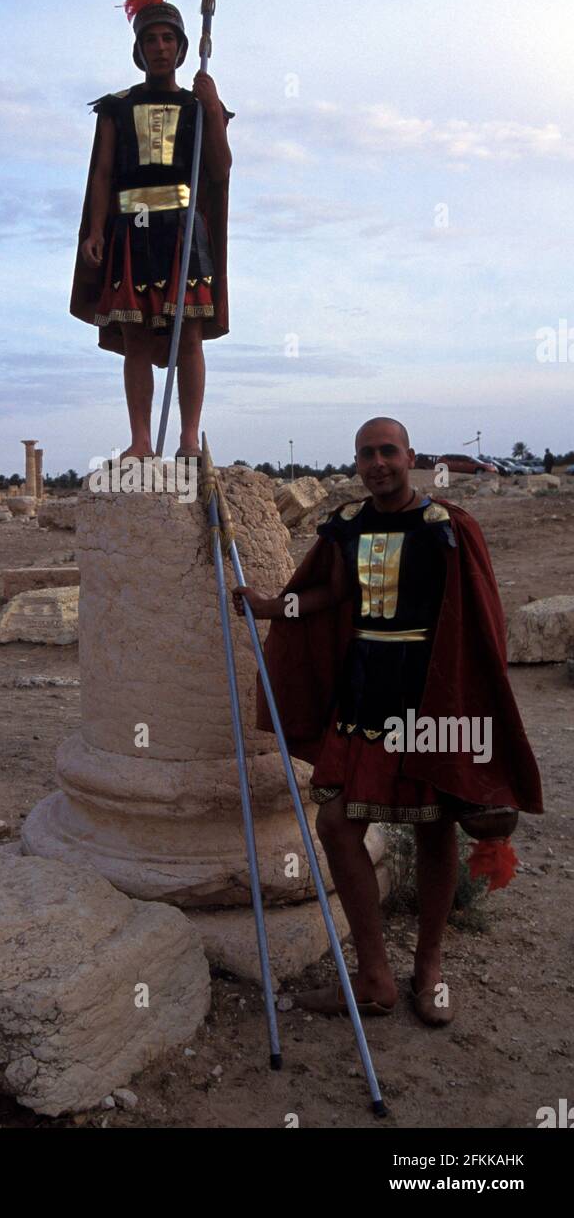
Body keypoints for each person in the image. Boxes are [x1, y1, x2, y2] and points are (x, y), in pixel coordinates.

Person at [232, 417, 543, 1025]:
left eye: (388, 452)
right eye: (366, 454)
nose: (377, 463)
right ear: (356, 462)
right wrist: (275, 605)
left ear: (411, 457)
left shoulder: (447, 527)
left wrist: (477, 706)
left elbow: (477, 621)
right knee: (338, 821)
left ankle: (428, 968)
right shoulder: (348, 525)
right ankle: (374, 977)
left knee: (435, 824)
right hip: (365, 693)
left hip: (432, 695)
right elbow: (331, 595)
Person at [70, 0, 233, 461]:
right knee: (135, 335)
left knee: (189, 333)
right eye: (150, 40)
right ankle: (141, 441)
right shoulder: (116, 107)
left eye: (167, 39)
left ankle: (187, 439)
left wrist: (213, 106)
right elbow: (101, 173)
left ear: (183, 48)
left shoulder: (199, 106)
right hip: (131, 227)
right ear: (138, 50)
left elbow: (221, 170)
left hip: (182, 228)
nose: (159, 47)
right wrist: (96, 230)